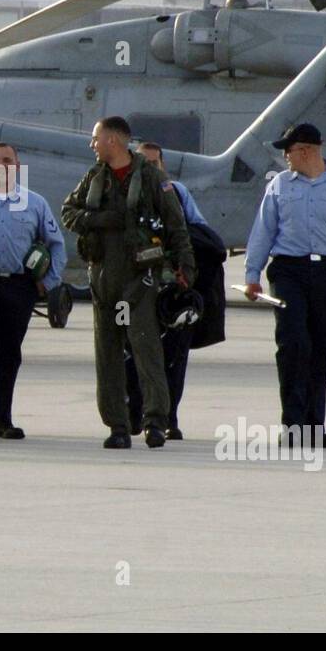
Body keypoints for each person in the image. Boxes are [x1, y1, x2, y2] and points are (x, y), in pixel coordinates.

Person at [61, 116, 195, 450]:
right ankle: (118, 425)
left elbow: (175, 224)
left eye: (97, 138)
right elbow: (68, 212)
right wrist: (99, 220)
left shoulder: (151, 177)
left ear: (114, 140)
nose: (93, 145)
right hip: (104, 279)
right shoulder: (95, 178)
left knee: (146, 350)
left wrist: (185, 268)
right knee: (107, 355)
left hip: (139, 281)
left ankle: (154, 422)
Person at [243, 122, 326, 450]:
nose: (285, 157)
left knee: (320, 348)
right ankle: (292, 423)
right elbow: (263, 231)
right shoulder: (279, 186)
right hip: (288, 271)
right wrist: (252, 276)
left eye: (288, 151)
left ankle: (315, 424)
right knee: (293, 343)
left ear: (305, 151)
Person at [0, 142, 67, 441]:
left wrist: (48, 283)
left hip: (18, 286)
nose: (1, 165)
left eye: (7, 160)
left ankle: (2, 418)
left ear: (18, 167)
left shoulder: (35, 203)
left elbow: (56, 245)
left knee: (9, 352)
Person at [124, 141, 210, 439]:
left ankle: (168, 418)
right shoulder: (124, 192)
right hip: (135, 289)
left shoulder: (176, 193)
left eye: (154, 162)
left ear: (162, 165)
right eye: (143, 162)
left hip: (171, 291)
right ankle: (136, 413)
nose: (149, 167)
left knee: (174, 357)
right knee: (132, 354)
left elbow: (199, 233)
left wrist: (182, 267)